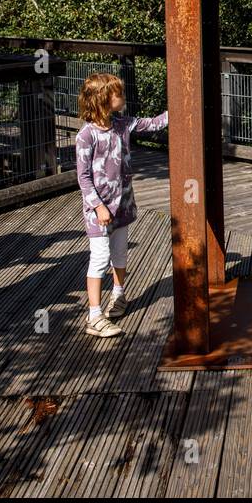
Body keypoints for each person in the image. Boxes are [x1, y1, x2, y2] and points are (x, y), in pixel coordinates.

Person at [74, 73, 168, 337]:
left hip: (123, 204)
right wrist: (98, 207)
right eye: (118, 93)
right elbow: (82, 177)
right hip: (99, 211)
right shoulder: (86, 135)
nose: (123, 97)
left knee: (120, 253)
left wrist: (177, 109)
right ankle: (94, 316)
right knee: (100, 258)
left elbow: (152, 124)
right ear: (104, 99)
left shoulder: (122, 124)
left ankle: (119, 295)